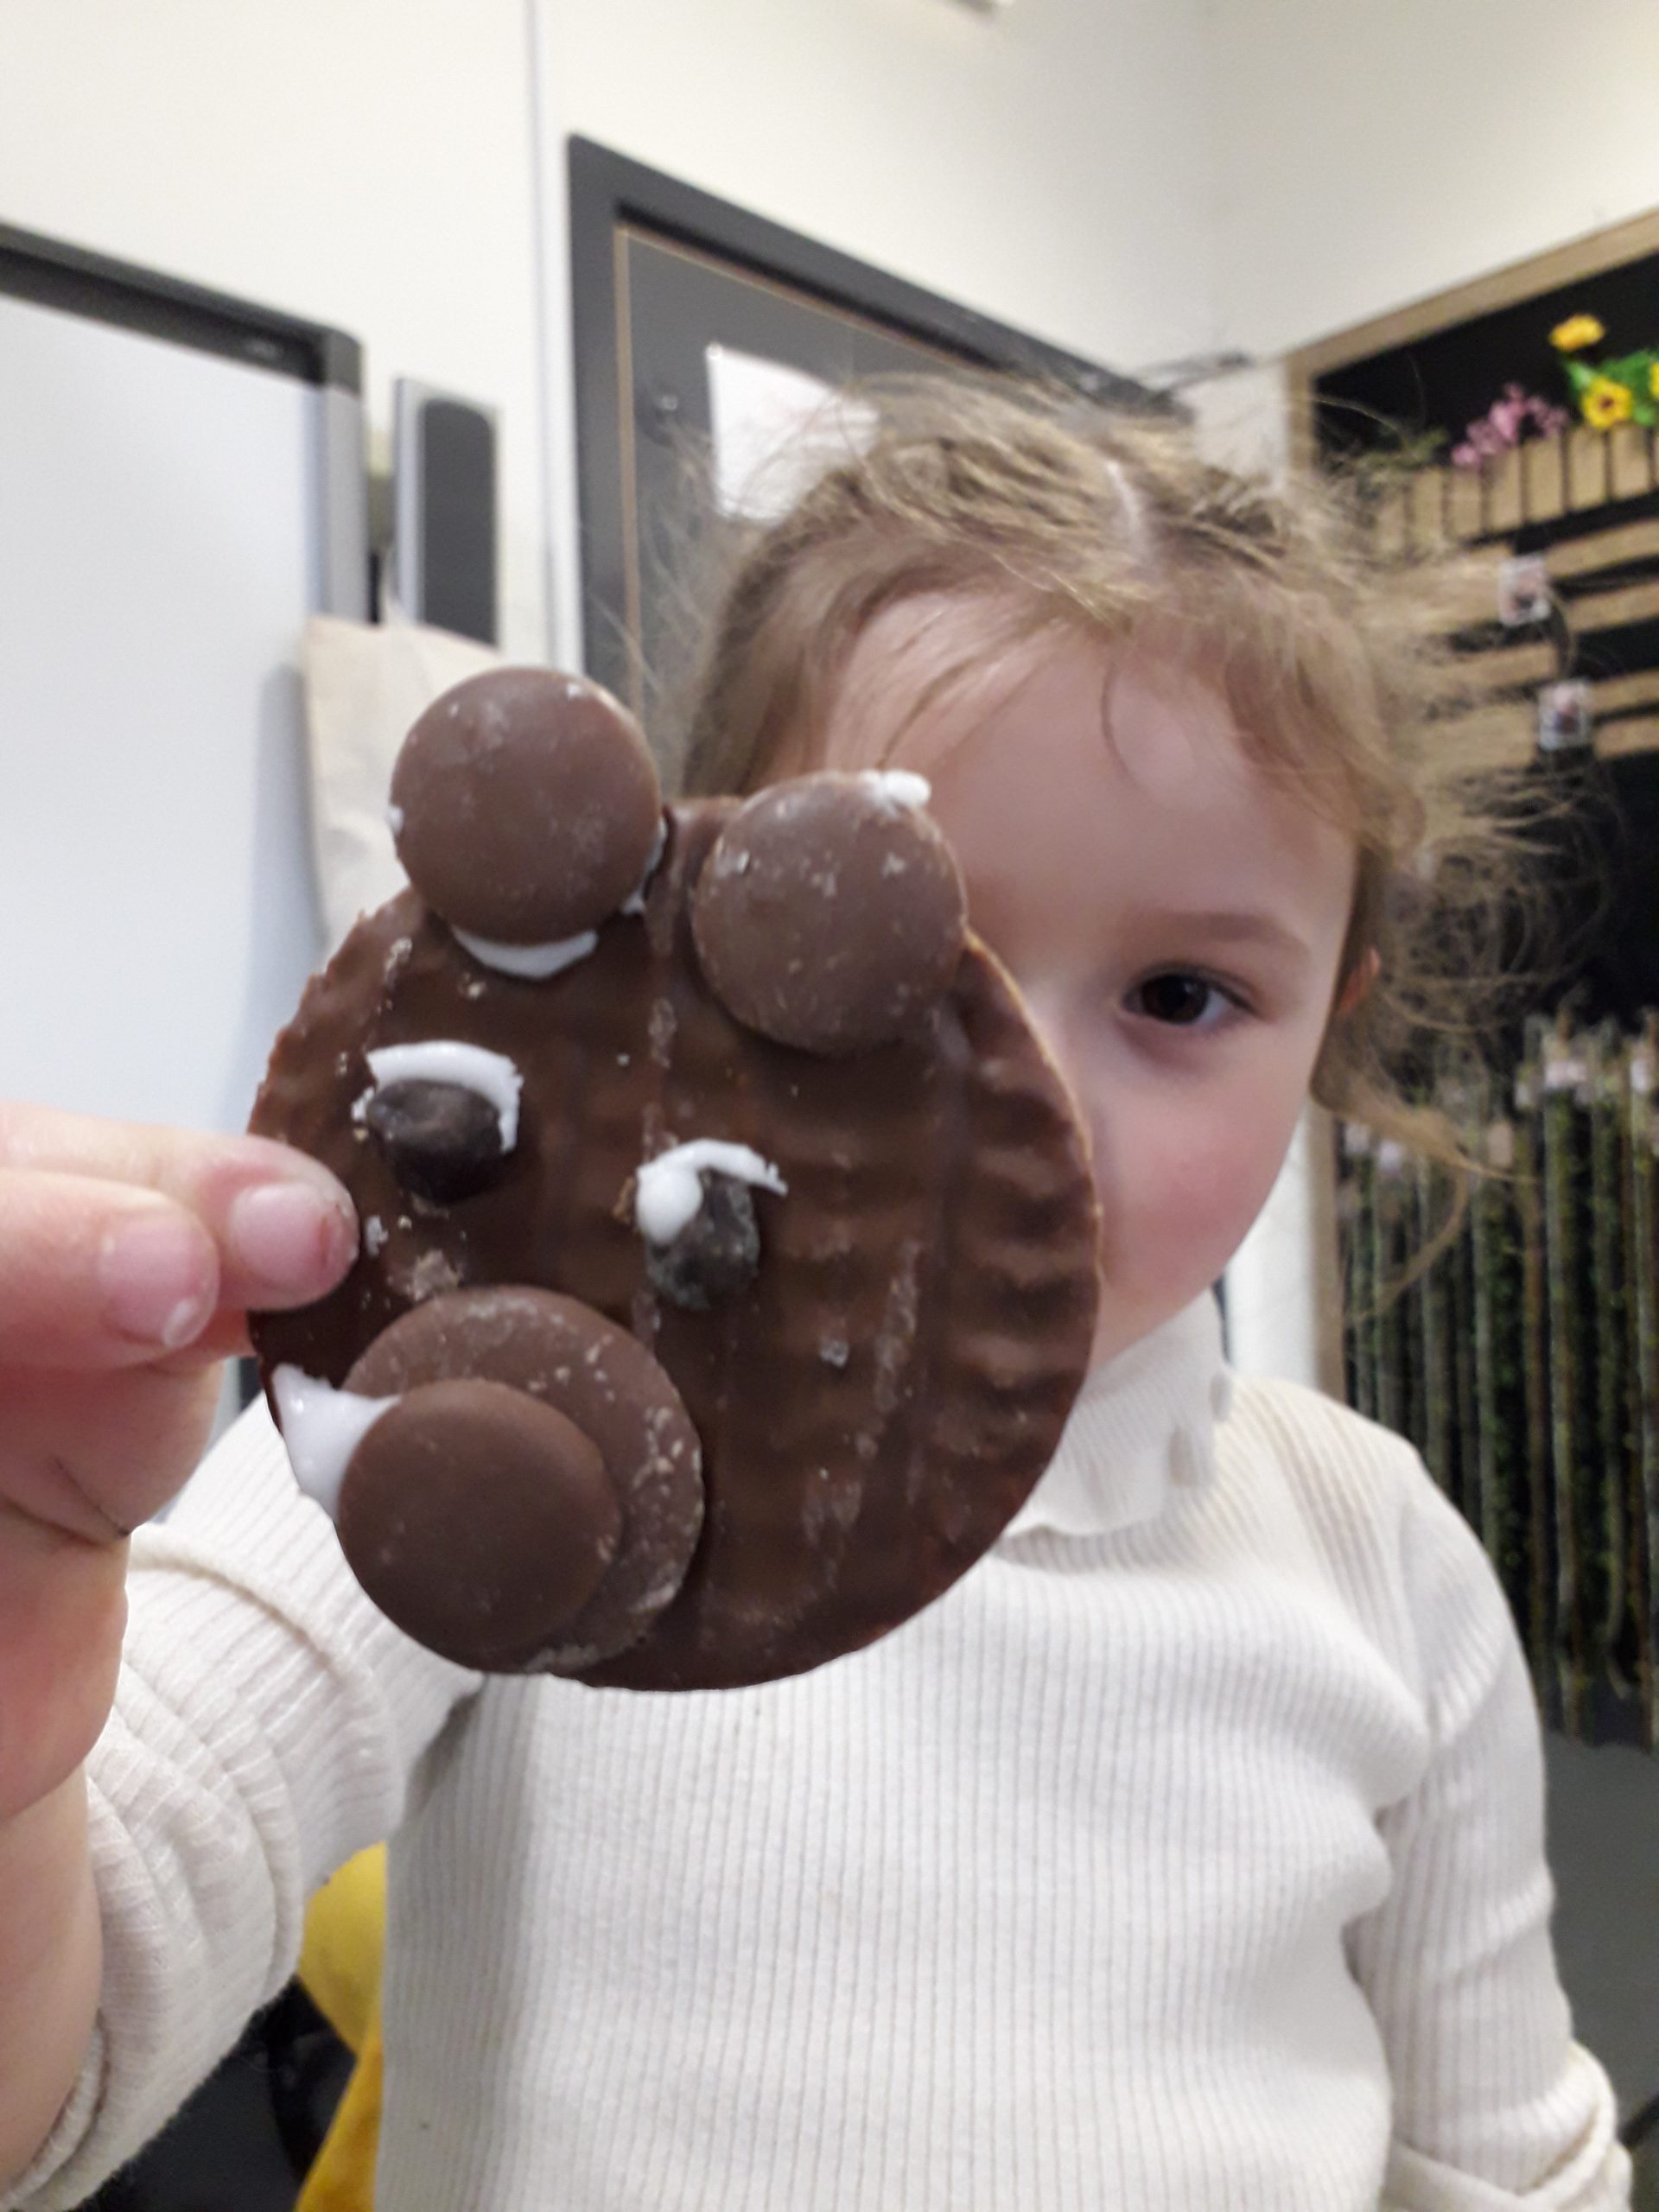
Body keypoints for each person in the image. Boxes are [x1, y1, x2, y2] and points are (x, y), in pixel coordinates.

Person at [0, 382, 1631, 2211]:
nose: (1045, 1114)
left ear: (1332, 1024)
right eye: (922, 958)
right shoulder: (479, 1461)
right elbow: (54, 2049)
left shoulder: (1384, 1568)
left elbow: (1507, 2167)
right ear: (681, 932)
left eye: (1182, 996)